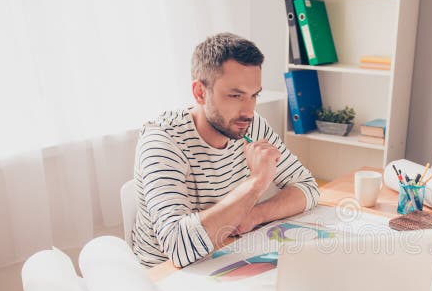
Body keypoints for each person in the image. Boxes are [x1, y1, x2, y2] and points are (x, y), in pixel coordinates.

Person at [131, 33, 319, 268]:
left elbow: (308, 187)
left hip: (226, 256)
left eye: (254, 95)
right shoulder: (162, 140)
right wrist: (256, 183)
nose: (248, 111)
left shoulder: (250, 126)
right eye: (235, 95)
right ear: (200, 93)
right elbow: (178, 247)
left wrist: (255, 215)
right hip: (167, 276)